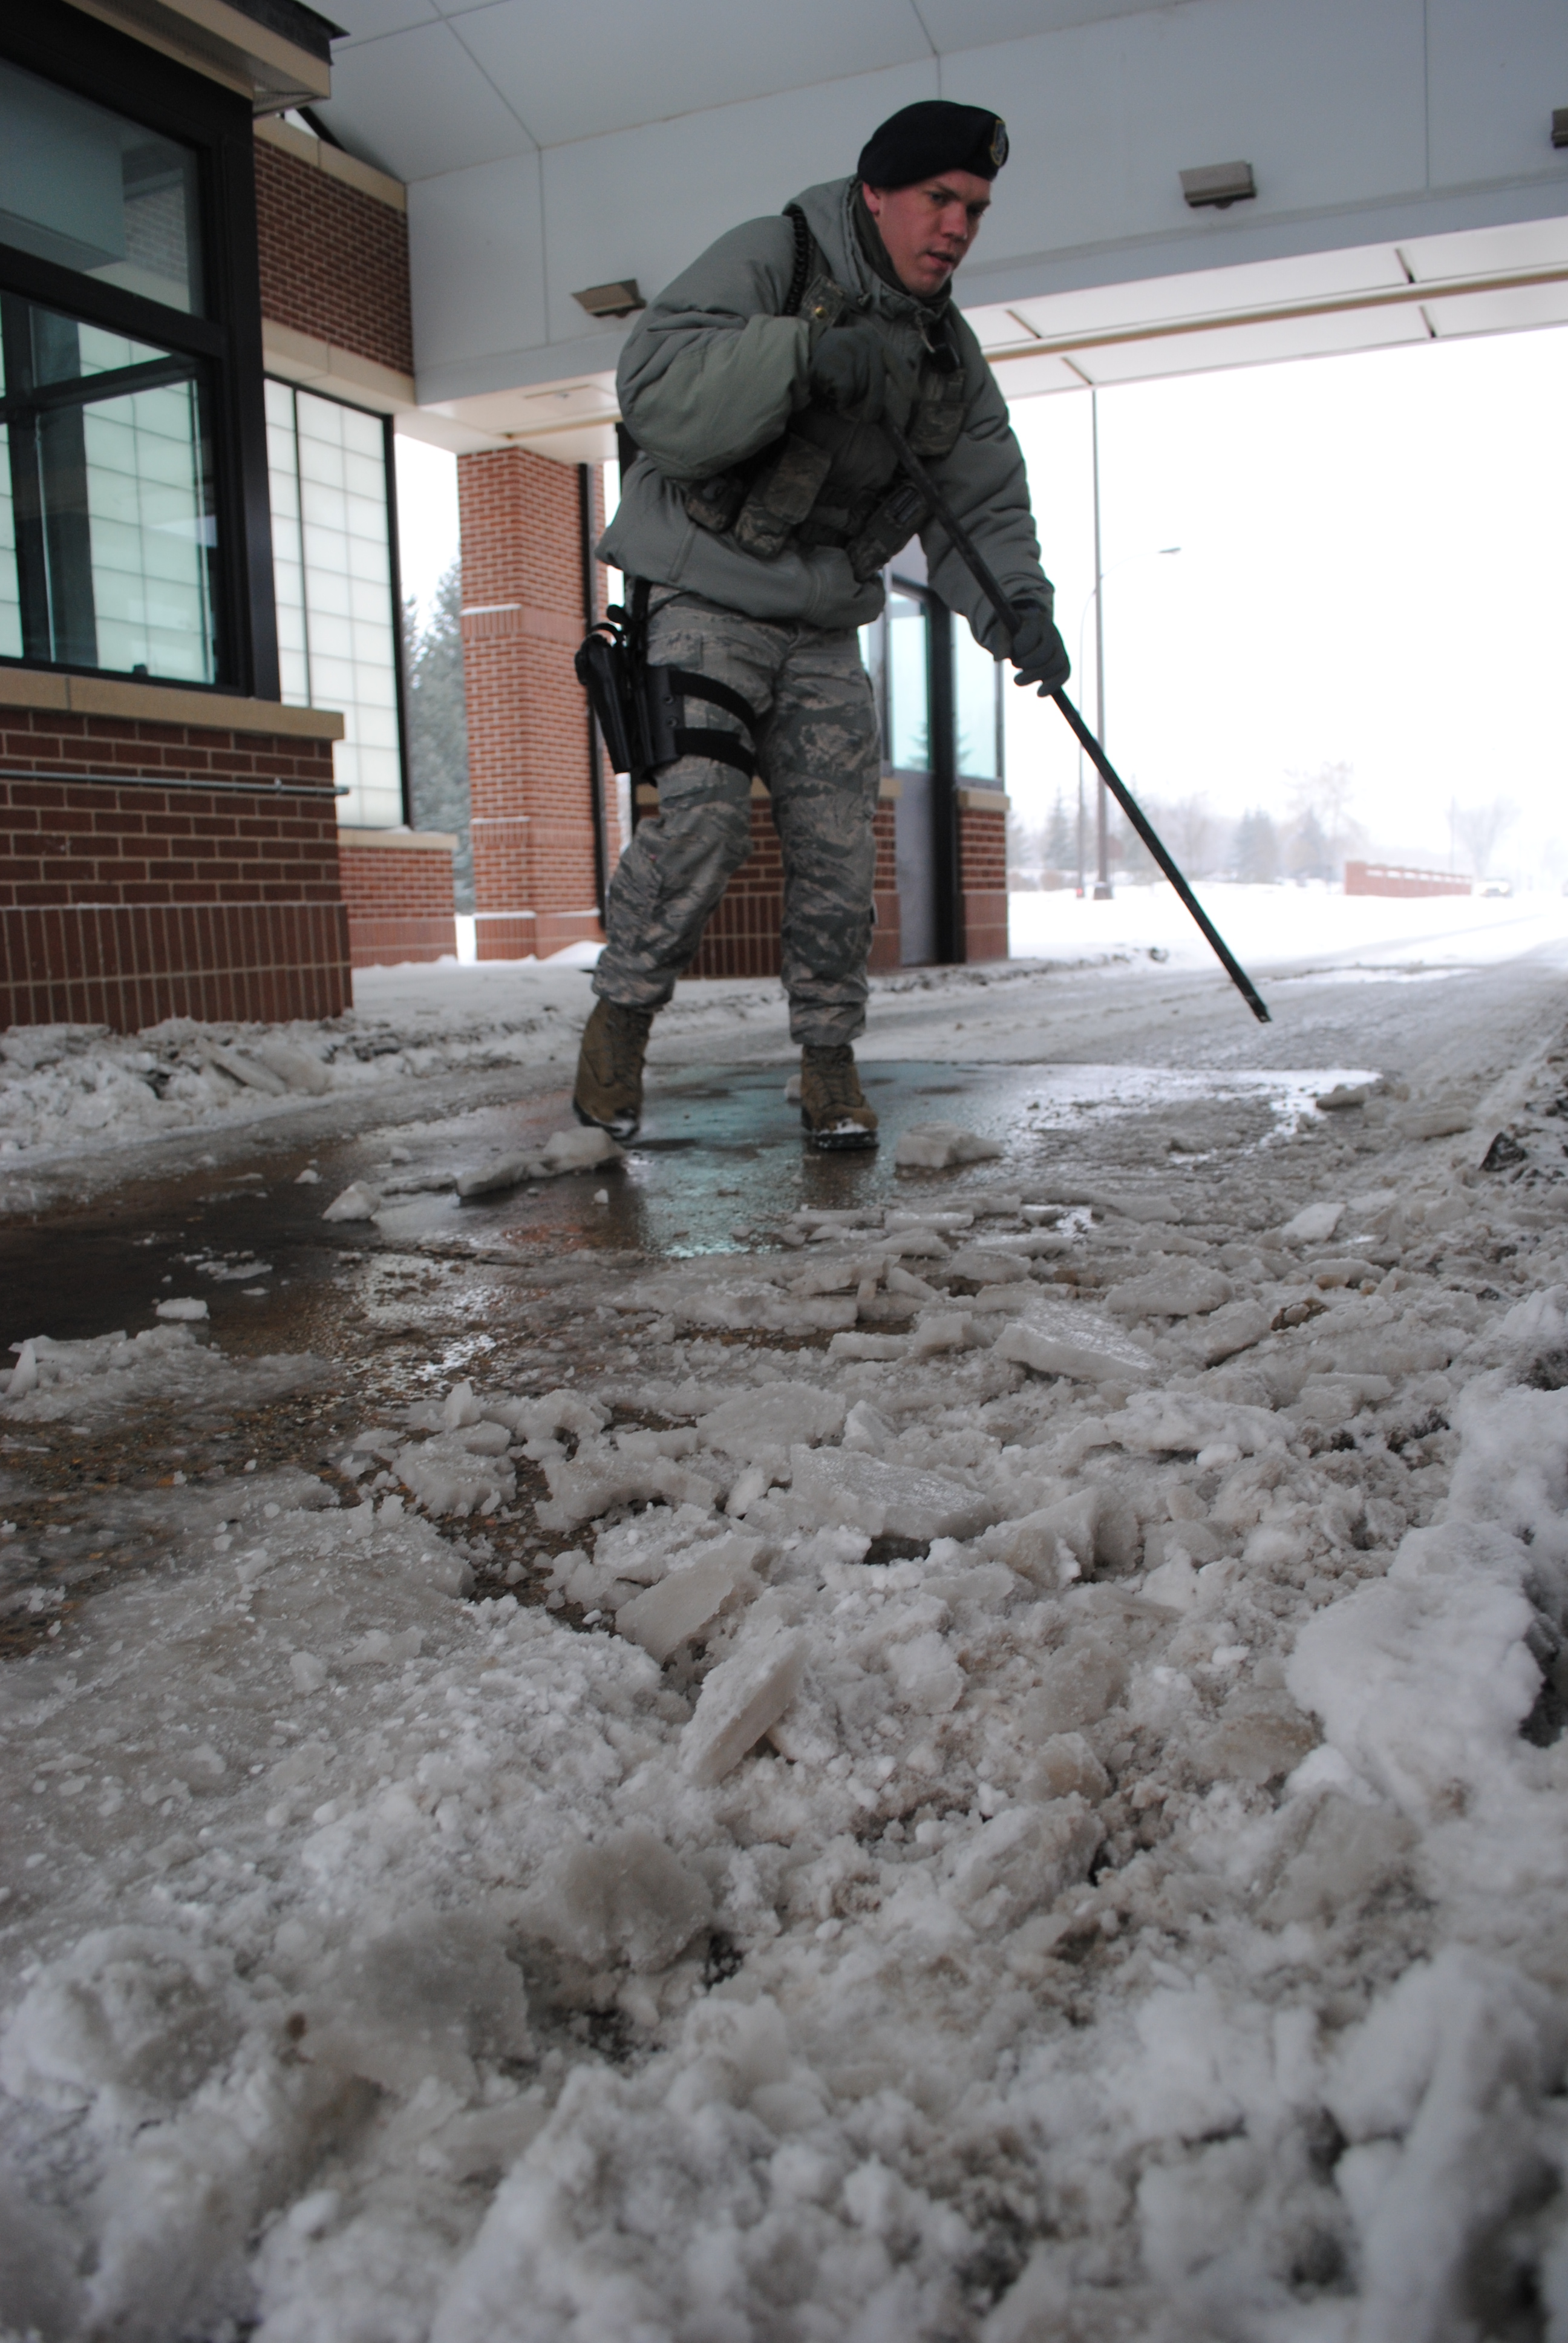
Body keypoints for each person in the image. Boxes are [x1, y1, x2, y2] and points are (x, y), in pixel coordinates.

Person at [573, 97, 1070, 1150]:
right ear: (877, 191)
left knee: (841, 857)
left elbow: (982, 500)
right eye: (940, 199)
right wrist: (796, 354)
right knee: (702, 820)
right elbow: (655, 389)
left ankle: (828, 1063)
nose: (958, 227)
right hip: (703, 589)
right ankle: (619, 1025)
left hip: (821, 620)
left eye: (976, 209)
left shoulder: (948, 356)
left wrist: (1019, 608)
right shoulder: (775, 257)